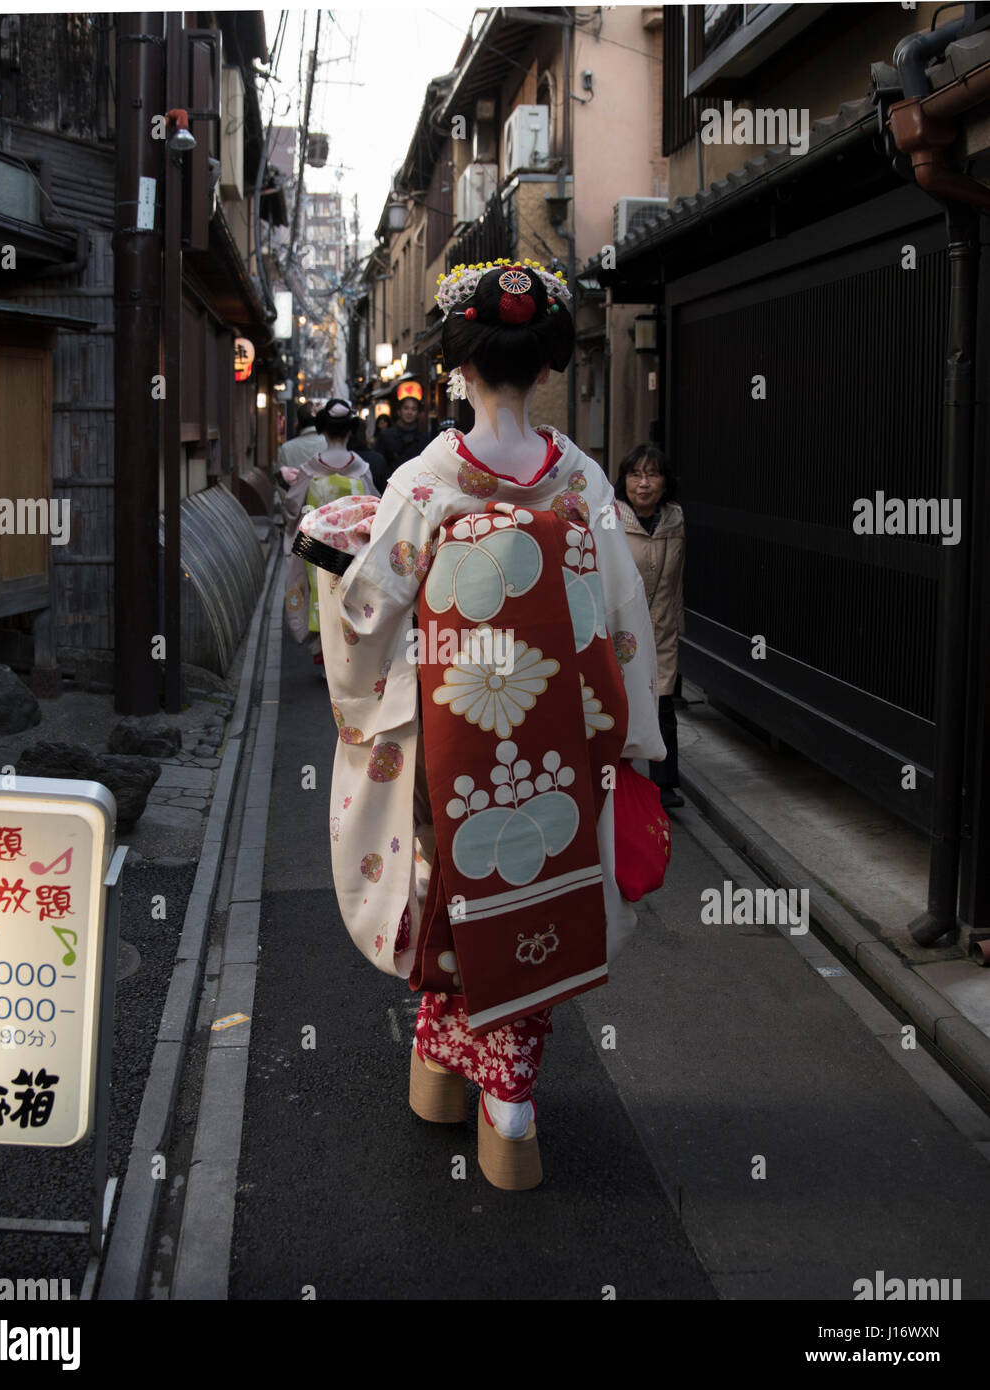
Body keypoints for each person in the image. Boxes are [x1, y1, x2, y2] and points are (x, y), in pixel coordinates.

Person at [308, 259, 667, 1191]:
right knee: (534, 897)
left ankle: (479, 1096)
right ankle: (493, 1099)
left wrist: (331, 563)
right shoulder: (582, 483)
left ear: (458, 367)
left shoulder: (427, 484)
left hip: (451, 741)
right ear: (544, 367)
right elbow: (622, 625)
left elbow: (366, 619)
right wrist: (630, 737)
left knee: (449, 907)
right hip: (559, 740)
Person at [282, 399, 378, 667]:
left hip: (316, 545)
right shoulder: (361, 469)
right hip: (354, 547)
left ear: (322, 430)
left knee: (318, 595)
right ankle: (351, 653)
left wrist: (293, 523)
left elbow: (292, 505)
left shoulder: (310, 469)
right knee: (351, 595)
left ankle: (322, 655)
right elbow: (375, 507)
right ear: (350, 430)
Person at [615, 445, 685, 808]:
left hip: (661, 626)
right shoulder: (610, 519)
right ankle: (614, 778)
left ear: (664, 481)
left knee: (663, 705)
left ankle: (665, 783)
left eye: (652, 474)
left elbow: (677, 581)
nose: (643, 484)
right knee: (617, 700)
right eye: (635, 475)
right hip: (621, 627)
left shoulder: (675, 520)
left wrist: (677, 624)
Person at [377, 396, 428, 481]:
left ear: (418, 413)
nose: (409, 412)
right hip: (390, 484)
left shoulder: (424, 438)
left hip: (415, 485)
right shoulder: (386, 435)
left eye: (414, 409)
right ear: (399, 412)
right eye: (406, 408)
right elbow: (380, 464)